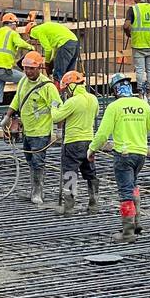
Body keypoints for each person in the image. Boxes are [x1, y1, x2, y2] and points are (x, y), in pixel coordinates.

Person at [89, 71, 150, 242]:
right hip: (141, 154)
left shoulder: (114, 107)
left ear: (115, 91)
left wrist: (92, 149)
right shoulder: (142, 104)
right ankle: (137, 223)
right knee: (133, 185)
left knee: (125, 191)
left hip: (124, 155)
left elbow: (103, 134)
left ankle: (128, 233)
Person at [2, 51, 60, 206]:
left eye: (31, 69)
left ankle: (37, 192)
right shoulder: (23, 81)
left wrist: (59, 128)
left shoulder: (48, 87)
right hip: (27, 130)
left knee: (38, 162)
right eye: (26, 68)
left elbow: (57, 108)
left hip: (41, 132)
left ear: (39, 68)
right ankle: (34, 187)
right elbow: (18, 99)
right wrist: (8, 116)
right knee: (30, 160)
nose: (28, 72)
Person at [51, 70, 99, 215]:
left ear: (71, 86)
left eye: (67, 89)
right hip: (89, 142)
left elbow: (56, 117)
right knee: (90, 172)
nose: (66, 92)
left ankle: (69, 207)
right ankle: (94, 204)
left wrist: (54, 104)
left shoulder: (72, 101)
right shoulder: (93, 99)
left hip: (73, 142)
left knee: (70, 173)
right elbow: (95, 114)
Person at [0, 13, 32, 113]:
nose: (16, 27)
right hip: (4, 69)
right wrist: (30, 47)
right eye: (15, 25)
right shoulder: (12, 33)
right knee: (25, 79)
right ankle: (22, 104)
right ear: (12, 23)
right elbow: (19, 43)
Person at [24, 13, 80, 83]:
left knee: (58, 74)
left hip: (65, 44)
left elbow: (48, 49)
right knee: (69, 74)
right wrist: (52, 60)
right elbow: (55, 49)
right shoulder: (46, 28)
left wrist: (47, 62)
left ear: (30, 33)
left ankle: (58, 92)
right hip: (75, 42)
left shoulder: (37, 31)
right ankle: (70, 92)